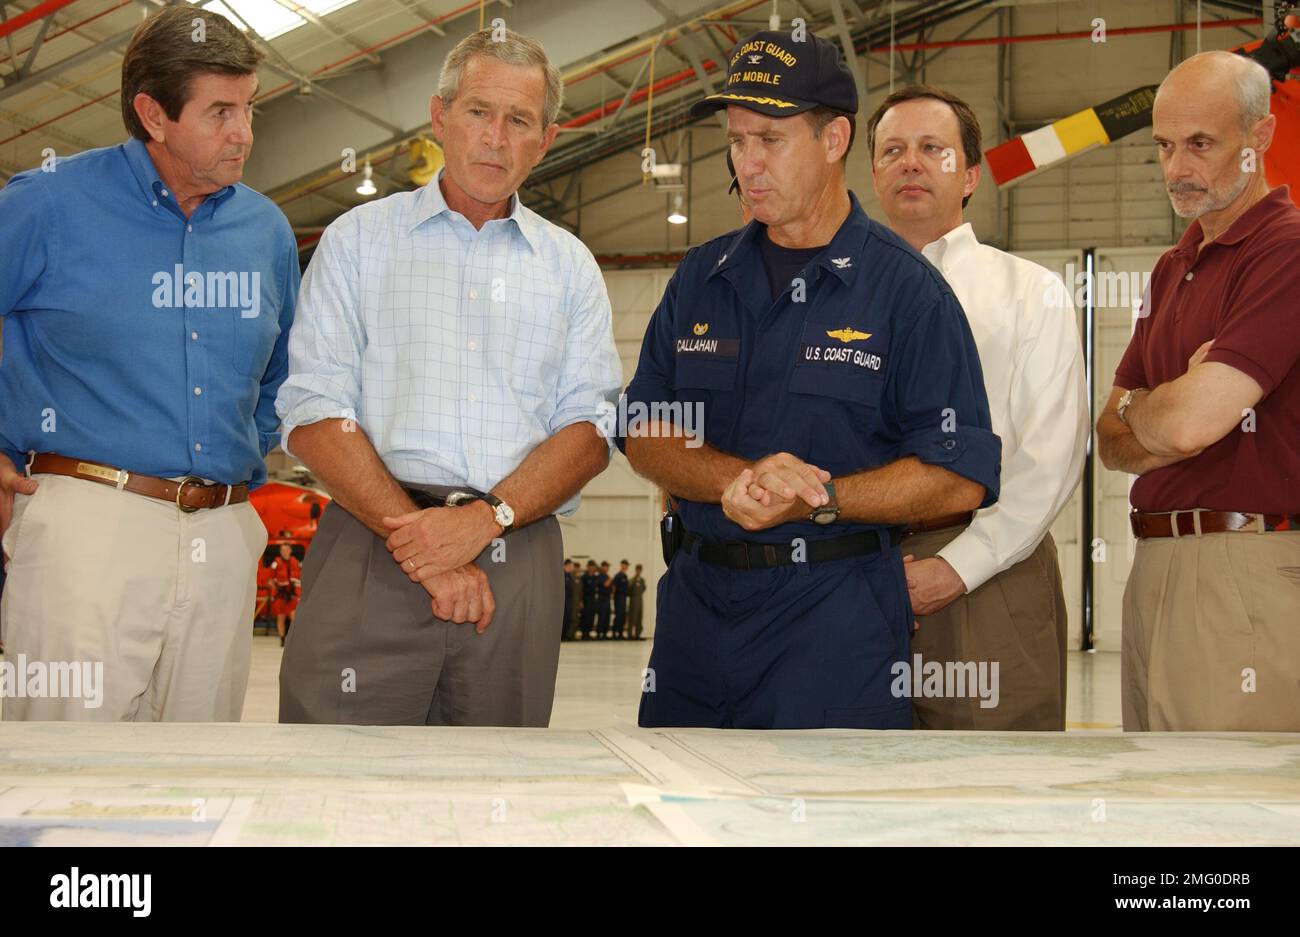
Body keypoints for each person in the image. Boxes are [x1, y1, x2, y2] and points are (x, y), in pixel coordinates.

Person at [619, 29, 1000, 729]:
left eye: (770, 140)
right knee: (683, 794)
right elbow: (644, 429)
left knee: (827, 795)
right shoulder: (701, 278)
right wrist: (734, 480)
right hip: (694, 621)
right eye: (738, 141)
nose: (749, 163)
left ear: (834, 140)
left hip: (834, 618)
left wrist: (817, 500)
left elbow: (959, 476)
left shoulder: (908, 294)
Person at [275, 28, 621, 727]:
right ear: (439, 117)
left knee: (499, 775)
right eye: (478, 112)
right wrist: (427, 549)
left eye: (519, 120)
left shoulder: (571, 268)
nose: (495, 138)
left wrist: (483, 520)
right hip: (372, 543)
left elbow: (590, 430)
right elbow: (314, 412)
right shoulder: (357, 242)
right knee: (334, 771)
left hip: (515, 554)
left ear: (546, 140)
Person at [0, 6, 297, 722]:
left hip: (224, 533)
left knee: (198, 769)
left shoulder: (265, 231)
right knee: (64, 765)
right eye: (220, 111)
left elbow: (281, 375)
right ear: (152, 114)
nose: (244, 132)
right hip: (87, 526)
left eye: (249, 107)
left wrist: (238, 458)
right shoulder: (46, 205)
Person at [868, 85, 1088, 730]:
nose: (911, 162)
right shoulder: (835, 297)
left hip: (988, 569)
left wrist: (958, 567)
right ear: (874, 173)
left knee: (993, 775)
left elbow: (1049, 457)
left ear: (969, 176)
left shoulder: (1030, 293)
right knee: (853, 773)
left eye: (932, 149)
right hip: (853, 569)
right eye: (892, 150)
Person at [1097, 51, 1300, 732]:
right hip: (1154, 564)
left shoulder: (1287, 251)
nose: (1177, 168)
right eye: (1164, 146)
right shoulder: (1170, 267)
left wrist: (1149, 408)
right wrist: (1168, 400)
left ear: (1260, 137)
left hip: (1242, 566)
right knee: (1150, 790)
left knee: (1225, 791)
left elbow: (1189, 427)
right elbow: (1109, 438)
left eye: (1201, 144)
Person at [269, 544, 302, 648]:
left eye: (286, 549)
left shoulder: (296, 563)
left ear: (290, 550)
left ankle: (294, 639)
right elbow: (270, 580)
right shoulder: (275, 563)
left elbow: (300, 579)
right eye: (282, 550)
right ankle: (282, 639)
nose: (284, 552)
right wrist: (276, 590)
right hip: (280, 596)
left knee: (294, 618)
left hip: (292, 595)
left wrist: (298, 593)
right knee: (281, 618)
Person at [580, 560, 599, 639]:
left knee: (591, 616)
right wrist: (581, 601)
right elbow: (581, 590)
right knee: (586, 616)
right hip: (586, 599)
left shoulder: (595, 577)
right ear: (588, 567)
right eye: (591, 566)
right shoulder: (584, 577)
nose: (592, 568)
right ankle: (584, 633)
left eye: (593, 566)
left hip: (593, 599)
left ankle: (588, 633)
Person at [628, 563, 647, 640]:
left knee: (639, 617)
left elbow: (644, 589)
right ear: (636, 570)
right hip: (633, 600)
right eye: (638, 569)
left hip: (640, 600)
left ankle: (637, 634)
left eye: (640, 569)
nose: (639, 571)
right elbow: (629, 590)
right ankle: (630, 634)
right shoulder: (632, 580)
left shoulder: (642, 580)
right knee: (632, 617)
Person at [612, 560, 630, 638]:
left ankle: (620, 633)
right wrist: (613, 597)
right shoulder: (617, 576)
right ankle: (614, 633)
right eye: (625, 565)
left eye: (627, 565)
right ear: (621, 565)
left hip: (623, 598)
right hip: (618, 598)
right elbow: (614, 587)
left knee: (622, 616)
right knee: (618, 615)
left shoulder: (625, 576)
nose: (626, 567)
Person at [595, 561, 613, 639]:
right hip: (602, 599)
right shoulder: (600, 576)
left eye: (608, 566)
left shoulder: (606, 575)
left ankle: (605, 633)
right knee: (602, 616)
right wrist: (610, 579)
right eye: (606, 566)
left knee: (607, 616)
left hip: (607, 599)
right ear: (603, 567)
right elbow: (606, 584)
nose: (608, 568)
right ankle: (599, 633)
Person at [567, 557, 583, 639]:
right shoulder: (570, 577)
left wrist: (581, 601)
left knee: (576, 618)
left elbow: (580, 591)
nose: (577, 569)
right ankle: (569, 635)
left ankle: (573, 634)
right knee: (572, 618)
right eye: (575, 568)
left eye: (578, 568)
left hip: (577, 601)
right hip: (571, 601)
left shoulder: (579, 578)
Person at [561, 559, 575, 641]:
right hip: (563, 601)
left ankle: (565, 635)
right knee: (563, 618)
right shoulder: (561, 575)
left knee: (568, 618)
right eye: (571, 566)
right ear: (567, 565)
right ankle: (561, 636)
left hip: (569, 601)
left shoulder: (570, 576)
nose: (573, 567)